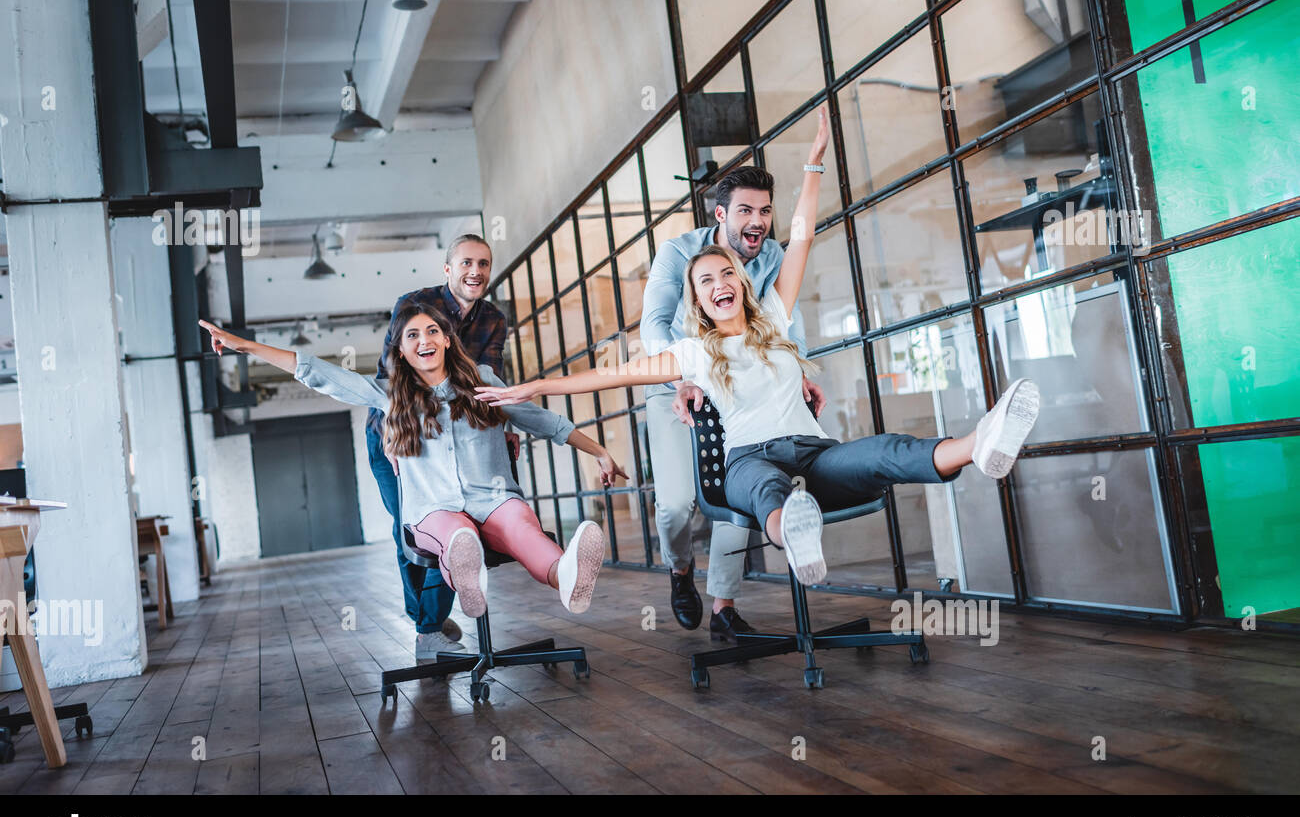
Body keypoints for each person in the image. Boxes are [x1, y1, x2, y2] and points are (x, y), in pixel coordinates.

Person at [475, 131, 1041, 590]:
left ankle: (980, 443)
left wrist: (814, 165)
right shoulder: (691, 352)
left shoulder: (773, 314)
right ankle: (792, 536)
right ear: (696, 298)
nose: (721, 282)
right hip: (751, 460)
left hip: (814, 454)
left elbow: (801, 236)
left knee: (886, 451)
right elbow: (609, 374)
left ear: (742, 285)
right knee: (769, 493)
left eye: (729, 275)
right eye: (707, 280)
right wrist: (532, 388)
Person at [199, 302, 627, 625]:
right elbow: (319, 372)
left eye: (432, 330)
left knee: (519, 522)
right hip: (433, 510)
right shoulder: (390, 395)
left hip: (493, 500)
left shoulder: (483, 383)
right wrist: (244, 346)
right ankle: (467, 581)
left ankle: (565, 577)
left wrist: (599, 451)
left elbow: (541, 420)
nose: (424, 339)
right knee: (458, 534)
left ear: (445, 340)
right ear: (401, 351)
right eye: (412, 335)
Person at [636, 114, 830, 642]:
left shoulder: (769, 256)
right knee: (676, 504)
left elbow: (785, 317)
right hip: (674, 385)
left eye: (765, 212)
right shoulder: (679, 253)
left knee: (733, 492)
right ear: (721, 215)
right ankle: (680, 572)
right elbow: (653, 322)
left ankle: (723, 605)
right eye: (745, 210)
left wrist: (802, 371)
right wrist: (678, 379)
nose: (758, 222)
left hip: (736, 388)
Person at [367, 233, 519, 657]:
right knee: (413, 524)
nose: (476, 272)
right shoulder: (414, 304)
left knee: (457, 521)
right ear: (448, 269)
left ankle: (428, 622)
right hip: (403, 433)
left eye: (484, 264)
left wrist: (505, 425)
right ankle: (428, 624)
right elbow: (390, 374)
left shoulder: (493, 319)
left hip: (460, 435)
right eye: (466, 263)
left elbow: (492, 380)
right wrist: (393, 434)